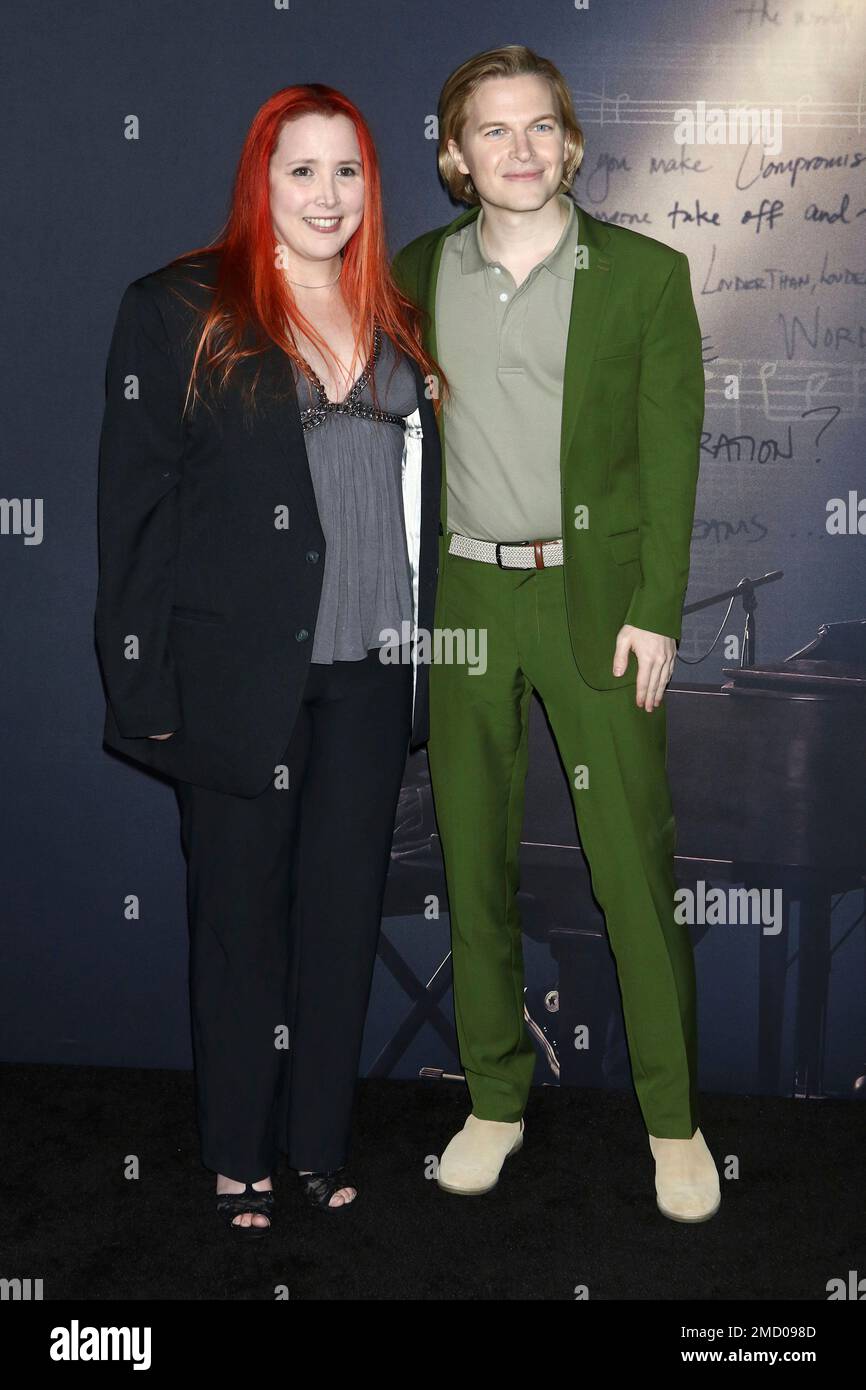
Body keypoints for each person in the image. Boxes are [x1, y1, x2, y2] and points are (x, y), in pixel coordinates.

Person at [95, 84, 443, 1236]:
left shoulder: (392, 310)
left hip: (368, 674)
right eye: (302, 170)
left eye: (347, 172)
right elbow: (133, 511)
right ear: (261, 179)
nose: (327, 194)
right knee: (241, 923)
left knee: (342, 920)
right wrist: (137, 684)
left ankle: (315, 1145)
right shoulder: (179, 307)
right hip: (238, 679)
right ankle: (238, 1153)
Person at [392, 45, 720, 1222]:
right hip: (465, 604)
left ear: (569, 142)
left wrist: (655, 611)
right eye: (492, 131)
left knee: (630, 866)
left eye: (539, 128)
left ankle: (673, 1123)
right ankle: (492, 1098)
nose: (520, 150)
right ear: (453, 152)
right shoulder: (413, 273)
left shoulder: (643, 273)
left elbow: (671, 456)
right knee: (470, 861)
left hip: (596, 604)